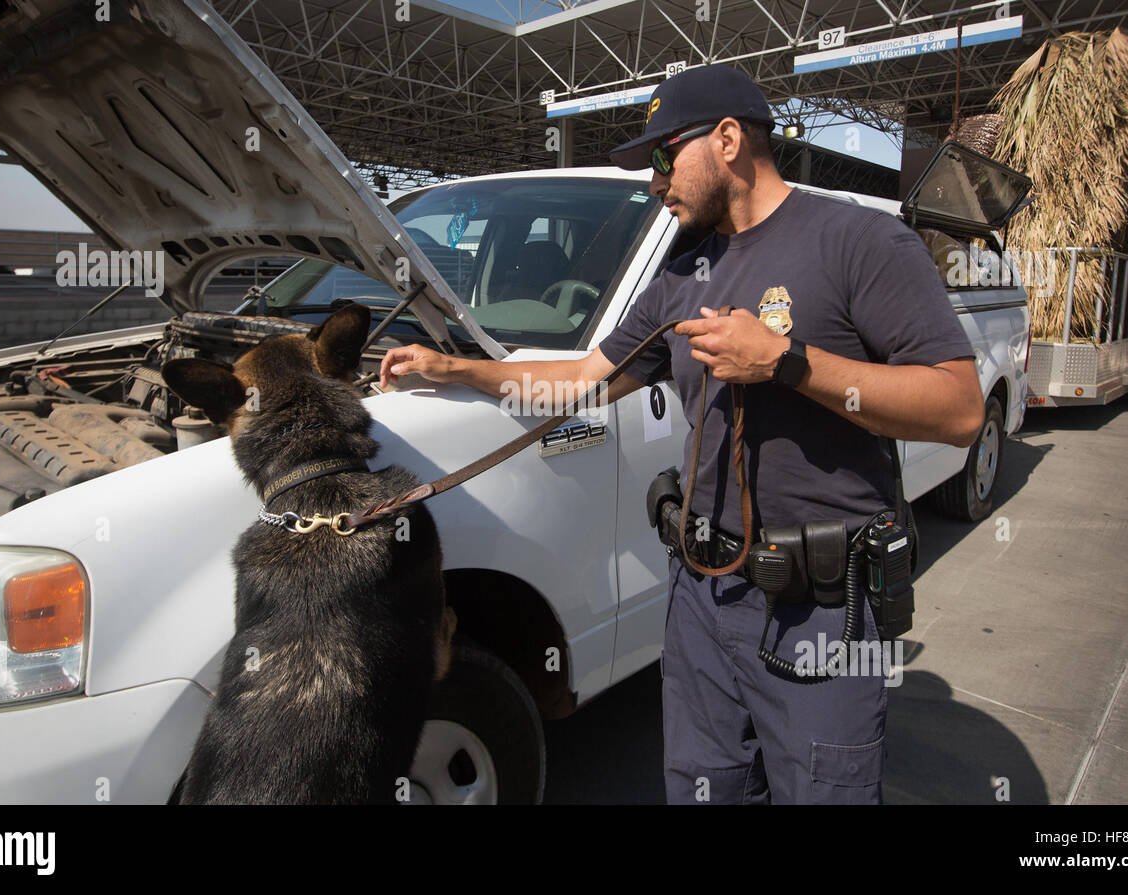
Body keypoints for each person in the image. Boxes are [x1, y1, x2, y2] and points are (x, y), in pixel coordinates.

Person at [378, 64, 984, 804]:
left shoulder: (858, 241)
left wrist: (787, 362)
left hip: (825, 609)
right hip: (702, 596)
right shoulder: (682, 273)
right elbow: (581, 382)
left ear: (728, 139)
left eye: (665, 156)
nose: (655, 182)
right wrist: (454, 368)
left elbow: (959, 409)